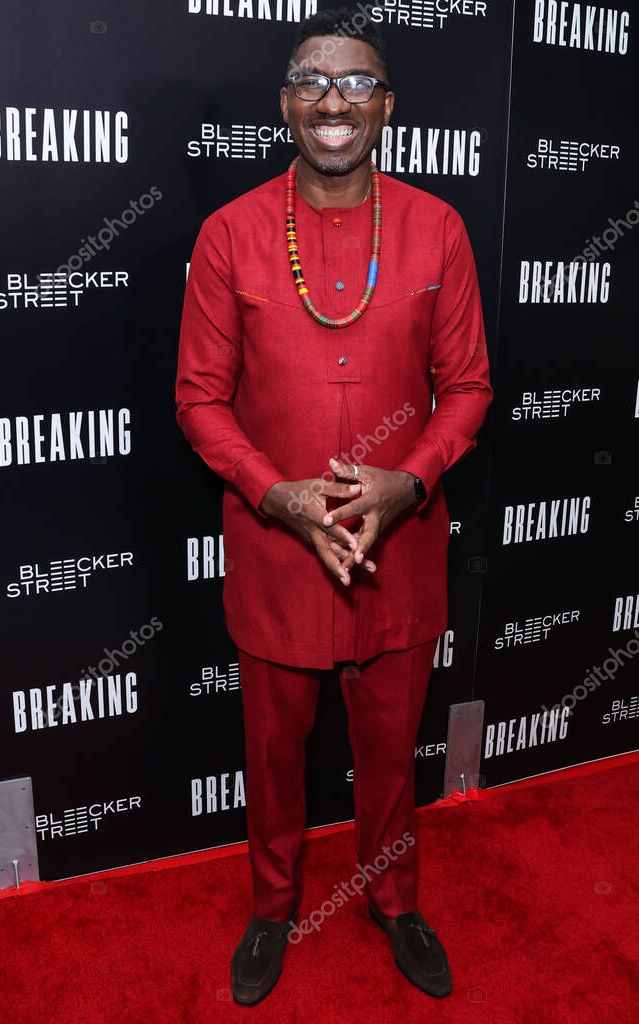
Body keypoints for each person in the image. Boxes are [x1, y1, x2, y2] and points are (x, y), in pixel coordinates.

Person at [175, 6, 492, 1006]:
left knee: (390, 751)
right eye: (312, 81)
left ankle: (393, 900)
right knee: (271, 755)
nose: (332, 101)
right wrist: (275, 493)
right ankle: (272, 907)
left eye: (355, 83)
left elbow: (471, 386)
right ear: (284, 104)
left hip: (398, 551)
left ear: (386, 106)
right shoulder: (229, 234)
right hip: (277, 556)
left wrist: (411, 479)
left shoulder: (437, 226)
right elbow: (197, 397)